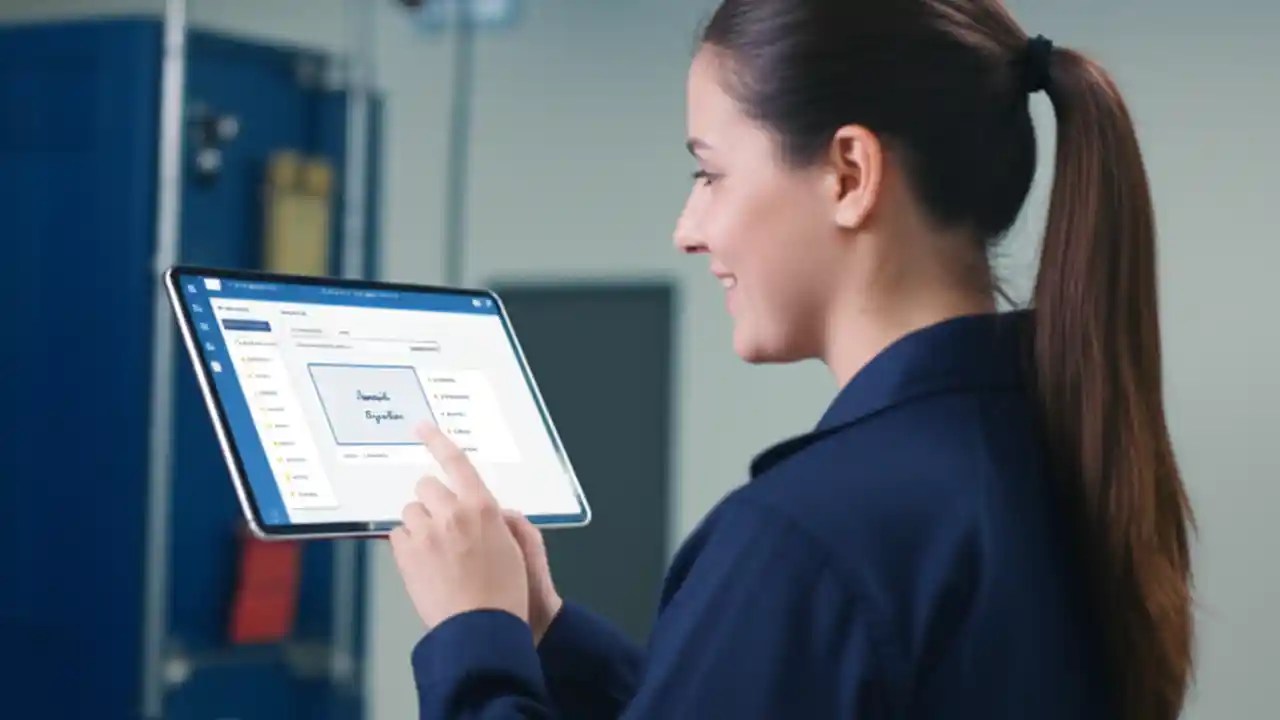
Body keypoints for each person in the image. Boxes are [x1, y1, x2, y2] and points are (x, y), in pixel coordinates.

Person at [388, 1, 1195, 718]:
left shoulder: (809, 538)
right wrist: (545, 634)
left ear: (850, 172)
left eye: (710, 174)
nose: (688, 227)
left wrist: (472, 638)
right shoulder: (1045, 454)